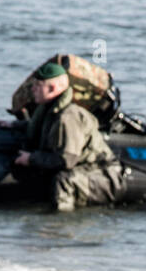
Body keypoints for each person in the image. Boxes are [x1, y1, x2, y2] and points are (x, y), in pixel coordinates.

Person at [14, 62, 125, 212]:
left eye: (37, 85)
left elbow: (66, 160)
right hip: (83, 166)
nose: (32, 89)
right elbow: (41, 129)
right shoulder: (49, 109)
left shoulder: (68, 117)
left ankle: (59, 224)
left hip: (100, 173)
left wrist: (31, 159)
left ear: (52, 88)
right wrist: (14, 126)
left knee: (64, 180)